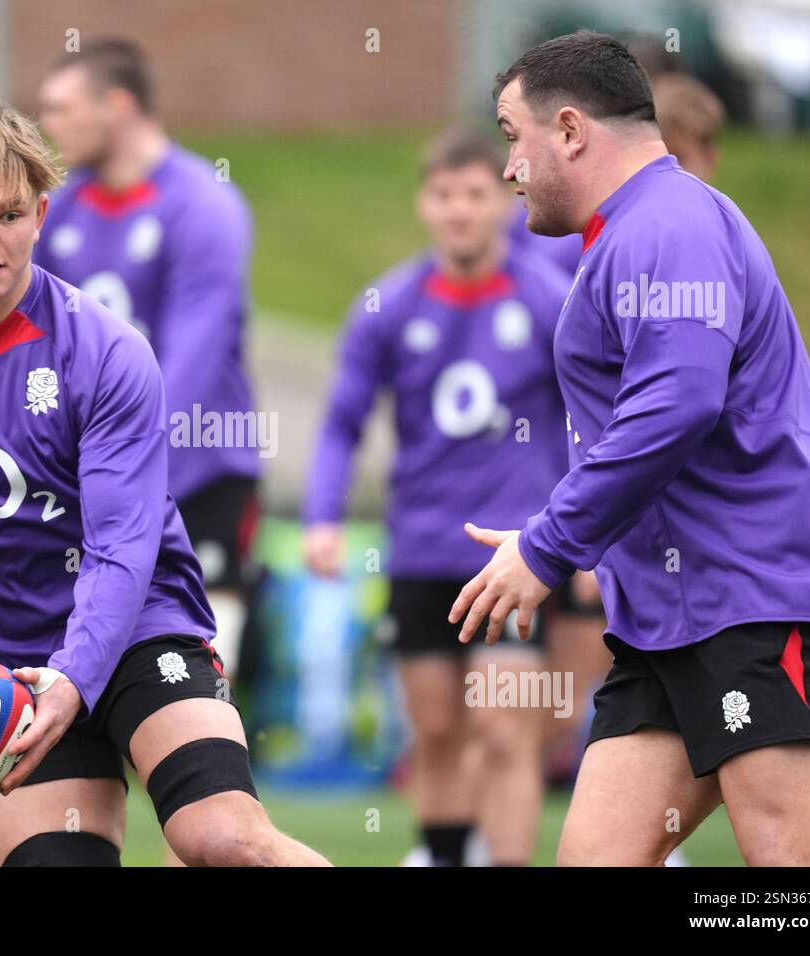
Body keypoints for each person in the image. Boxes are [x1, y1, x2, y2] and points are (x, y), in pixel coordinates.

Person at [0, 97, 330, 867]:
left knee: (223, 840)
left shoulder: (107, 351)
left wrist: (75, 677)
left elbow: (122, 542)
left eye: (10, 214)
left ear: (42, 215)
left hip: (137, 624)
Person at [453, 29, 810, 866]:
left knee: (794, 865)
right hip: (670, 622)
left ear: (569, 130)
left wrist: (549, 544)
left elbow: (677, 405)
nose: (508, 170)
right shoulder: (628, 232)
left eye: (512, 137)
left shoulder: (670, 223)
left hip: (758, 599)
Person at [303, 130, 571, 866]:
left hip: (514, 556)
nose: (459, 211)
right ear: (426, 202)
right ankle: (444, 854)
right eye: (444, 195)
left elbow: (592, 418)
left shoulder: (548, 299)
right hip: (420, 550)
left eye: (475, 195)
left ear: (502, 202)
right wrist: (323, 518)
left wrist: (586, 532)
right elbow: (341, 423)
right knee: (438, 731)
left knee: (506, 727)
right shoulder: (389, 304)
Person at [35, 38, 260, 679]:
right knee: (86, 669)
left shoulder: (202, 203)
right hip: (85, 474)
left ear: (119, 105)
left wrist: (116, 451)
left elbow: (192, 358)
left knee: (203, 672)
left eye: (62, 108)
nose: (50, 126)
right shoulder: (60, 211)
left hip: (200, 471)